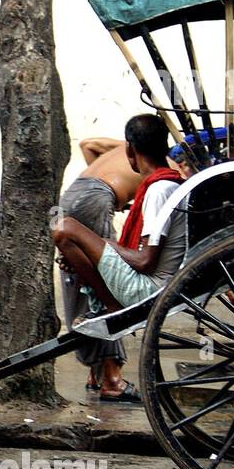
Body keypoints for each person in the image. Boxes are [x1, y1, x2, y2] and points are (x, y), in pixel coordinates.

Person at [52, 114, 187, 403]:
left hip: (80, 198)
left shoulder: (160, 187)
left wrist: (102, 245)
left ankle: (109, 366)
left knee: (67, 234)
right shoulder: (170, 179)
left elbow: (144, 261)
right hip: (95, 198)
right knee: (78, 256)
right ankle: (103, 370)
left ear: (129, 149)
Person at [57, 137, 144, 399]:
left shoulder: (122, 149)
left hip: (73, 195)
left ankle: (97, 374)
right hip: (95, 200)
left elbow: (88, 145)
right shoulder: (169, 168)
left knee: (87, 286)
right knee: (108, 287)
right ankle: (112, 381)